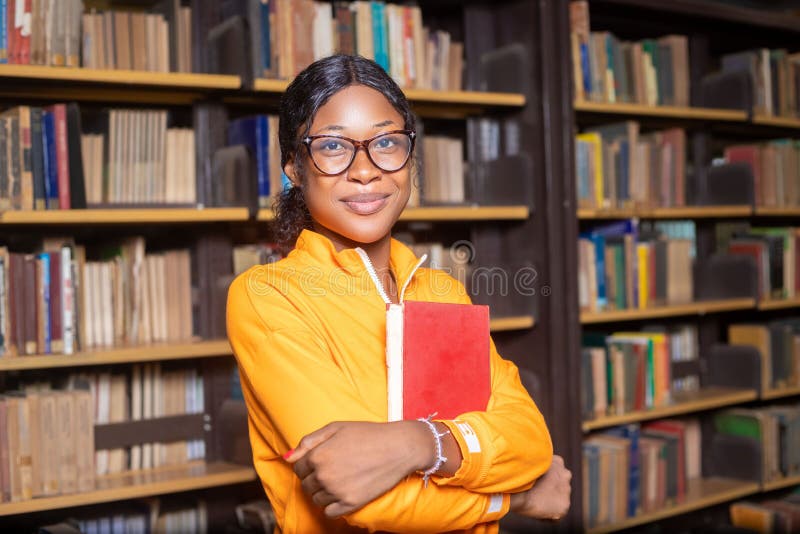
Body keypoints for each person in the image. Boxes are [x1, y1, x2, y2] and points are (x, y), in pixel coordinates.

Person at [226, 54, 571, 534]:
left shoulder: (443, 292)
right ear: (295, 169)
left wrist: (417, 443)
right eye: (332, 146)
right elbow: (357, 494)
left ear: (410, 155)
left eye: (386, 141)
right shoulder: (269, 296)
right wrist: (516, 497)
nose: (365, 170)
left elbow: (531, 441)